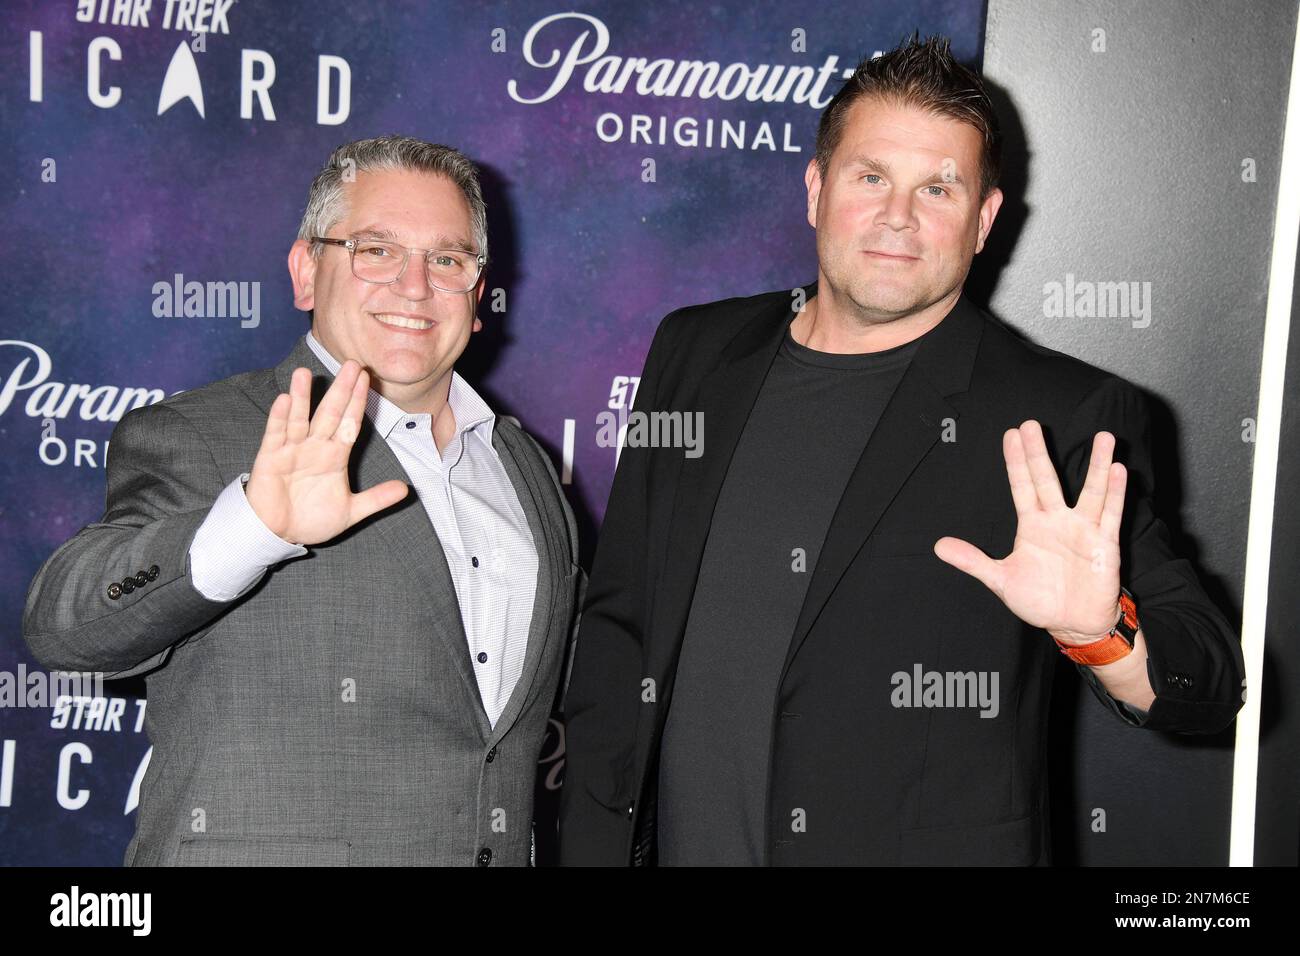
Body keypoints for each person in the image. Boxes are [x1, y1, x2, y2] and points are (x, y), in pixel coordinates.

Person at [558, 37, 1245, 866]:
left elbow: (1206, 682)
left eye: (939, 188)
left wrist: (1099, 633)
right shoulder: (696, 350)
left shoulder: (1062, 412)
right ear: (817, 189)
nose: (899, 216)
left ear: (984, 220)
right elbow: (622, 621)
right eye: (871, 176)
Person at [23, 135, 581, 866]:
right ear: (305, 272)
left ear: (478, 296)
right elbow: (68, 629)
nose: (415, 286)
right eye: (375, 250)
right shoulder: (207, 433)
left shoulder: (526, 467)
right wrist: (253, 526)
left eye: (447, 260)